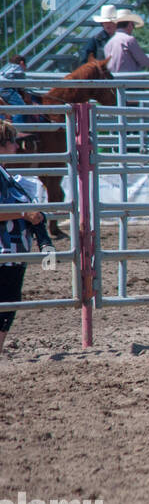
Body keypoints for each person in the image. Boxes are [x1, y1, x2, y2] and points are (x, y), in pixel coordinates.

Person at [0, 119, 54, 352]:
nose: (16, 148)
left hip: (12, 254)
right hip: (4, 254)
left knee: (6, 311)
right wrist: (25, 213)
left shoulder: (6, 174)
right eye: (13, 142)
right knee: (4, 309)